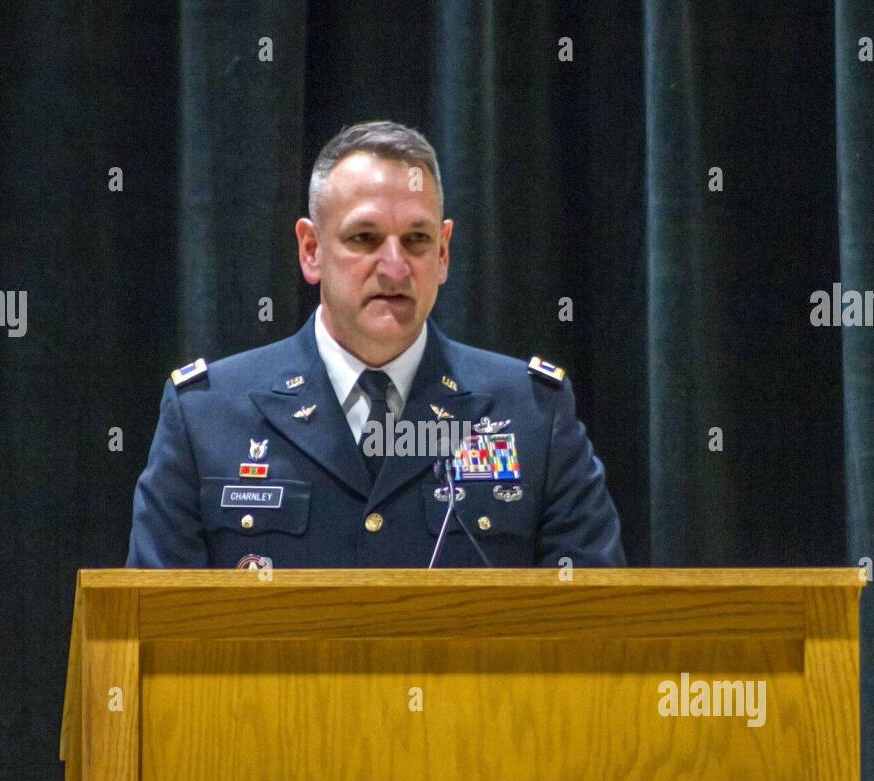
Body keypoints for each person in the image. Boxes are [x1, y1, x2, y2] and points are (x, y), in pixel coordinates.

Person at [127, 120, 625, 569]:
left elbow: (595, 631)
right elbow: (148, 633)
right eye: (364, 238)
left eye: (417, 240)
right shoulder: (208, 416)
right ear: (311, 250)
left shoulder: (533, 413)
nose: (394, 267)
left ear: (445, 254)